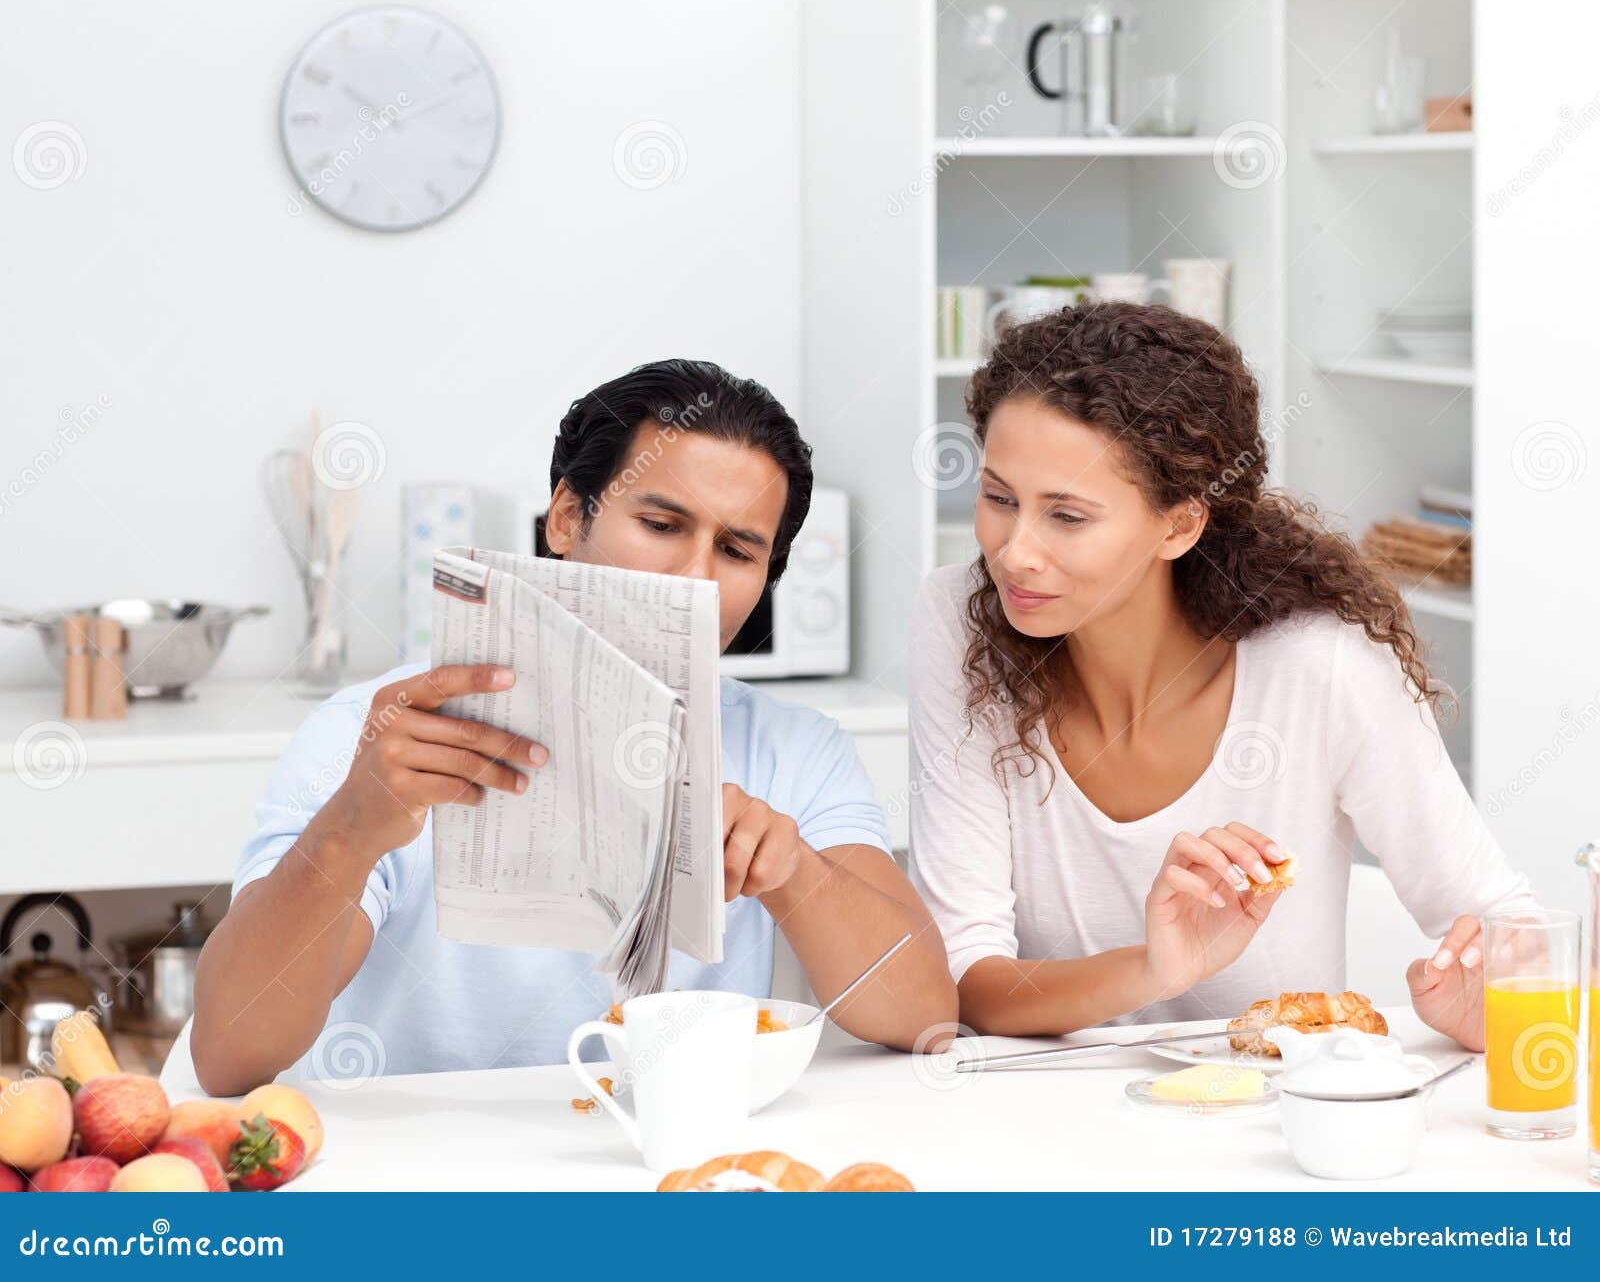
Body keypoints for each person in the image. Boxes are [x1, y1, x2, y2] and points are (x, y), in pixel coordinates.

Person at [193, 359, 955, 1094]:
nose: (694, 579)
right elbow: (229, 1054)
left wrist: (794, 873)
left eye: (735, 550)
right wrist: (349, 830)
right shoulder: (376, 736)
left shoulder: (796, 751)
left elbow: (925, 1017)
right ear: (565, 517)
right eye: (661, 524)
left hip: (671, 1157)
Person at [908, 302, 1531, 1050]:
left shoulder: (1319, 664)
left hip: (1278, 1114)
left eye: (1067, 517)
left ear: (1179, 524)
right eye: (999, 498)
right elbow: (964, 980)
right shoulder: (962, 620)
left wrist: (1483, 1006)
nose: (1014, 553)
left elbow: (1506, 927)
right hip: (1042, 1115)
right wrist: (1154, 969)